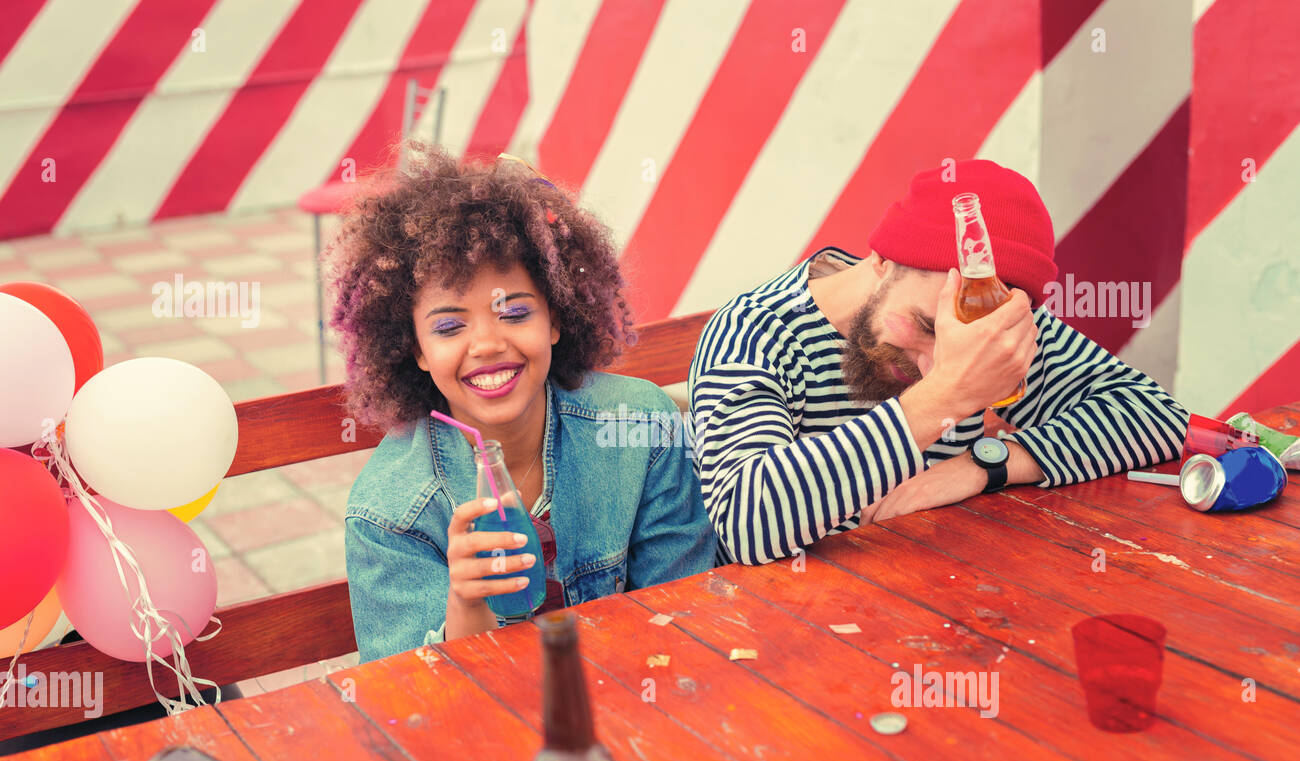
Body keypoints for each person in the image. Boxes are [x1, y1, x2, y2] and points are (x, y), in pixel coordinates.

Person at [688, 159, 1189, 565]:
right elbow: (745, 522)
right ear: (882, 262)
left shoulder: (977, 328)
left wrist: (980, 466)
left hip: (937, 592)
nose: (935, 363)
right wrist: (947, 396)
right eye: (926, 327)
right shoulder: (755, 331)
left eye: (958, 346)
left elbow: (1156, 416)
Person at [333, 146, 715, 662]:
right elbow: (414, 704)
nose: (488, 344)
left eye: (514, 313)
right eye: (449, 326)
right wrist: (466, 603)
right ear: (416, 350)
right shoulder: (389, 512)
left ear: (556, 319)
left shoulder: (642, 427)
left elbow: (684, 615)